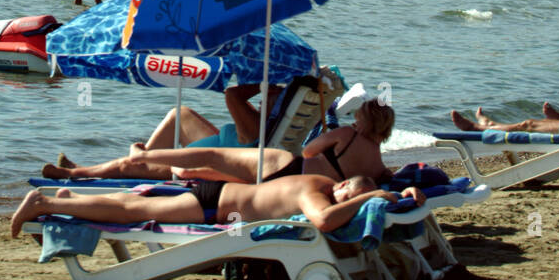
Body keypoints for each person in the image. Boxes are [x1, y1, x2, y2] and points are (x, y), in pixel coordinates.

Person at [44, 97, 398, 187]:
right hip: (289, 181)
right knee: (193, 164)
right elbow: (380, 179)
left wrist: (327, 129)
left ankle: (80, 174)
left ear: (366, 120)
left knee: (192, 163)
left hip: (283, 167)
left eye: (360, 115)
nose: (356, 119)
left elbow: (308, 151)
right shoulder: (377, 160)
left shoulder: (348, 136)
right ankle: (86, 171)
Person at [11, 164, 425, 239]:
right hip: (213, 206)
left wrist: (401, 192)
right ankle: (44, 203)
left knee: (132, 202)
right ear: (342, 186)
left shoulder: (322, 181)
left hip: (218, 199)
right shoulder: (316, 192)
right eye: (348, 195)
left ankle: (68, 195)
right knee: (132, 211)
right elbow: (325, 222)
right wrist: (371, 195)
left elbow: (387, 183)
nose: (346, 202)